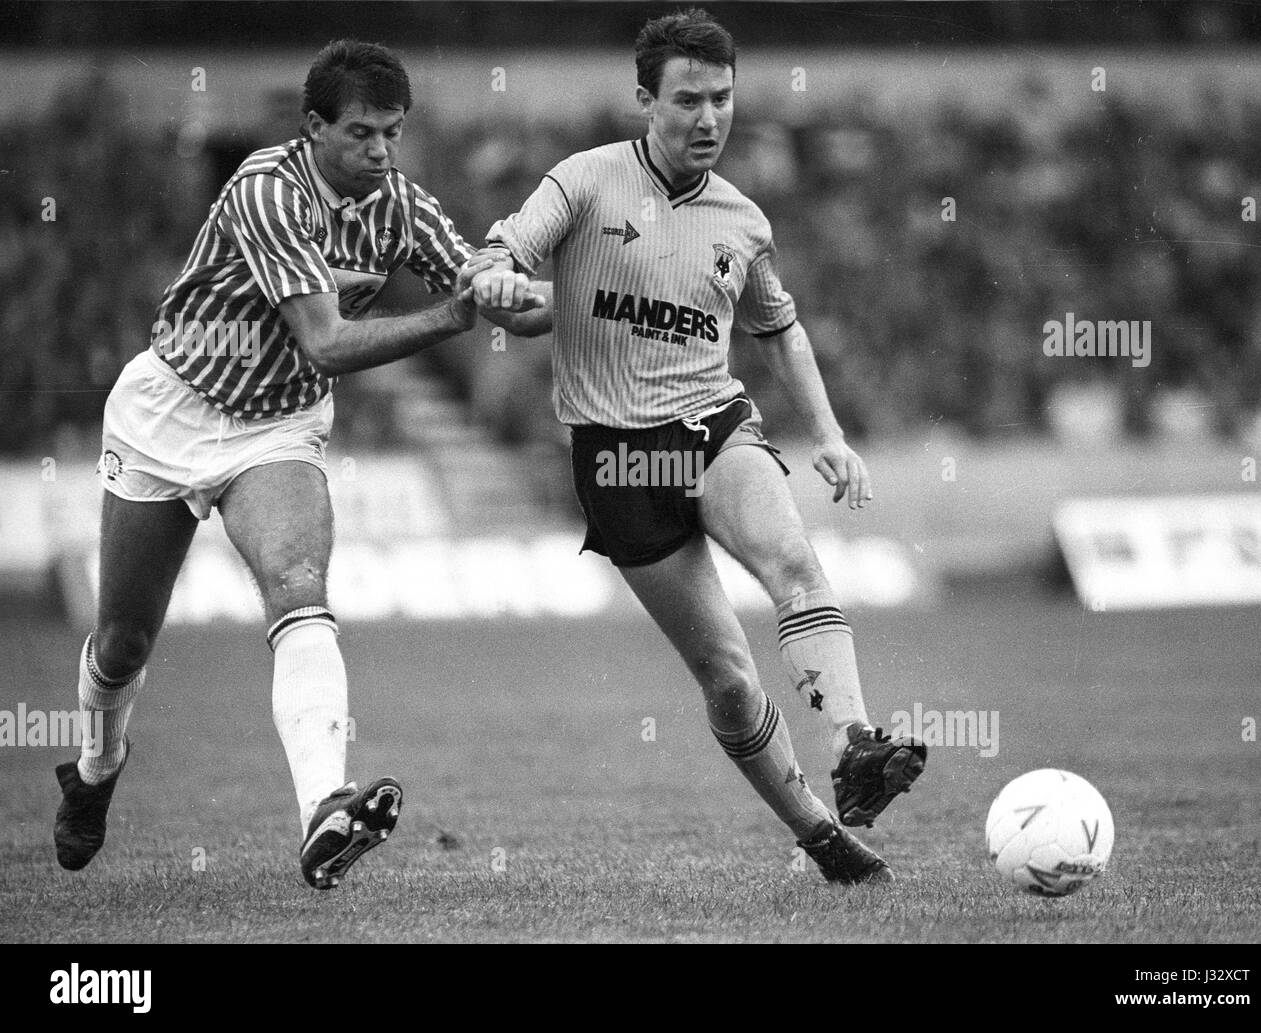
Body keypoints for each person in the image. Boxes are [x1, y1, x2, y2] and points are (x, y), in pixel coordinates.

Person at [53, 39, 544, 890]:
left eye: (393, 132)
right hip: (169, 412)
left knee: (297, 582)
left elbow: (487, 286)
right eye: (361, 132)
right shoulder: (267, 189)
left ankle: (325, 809)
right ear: (313, 127)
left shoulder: (400, 203)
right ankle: (96, 767)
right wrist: (453, 315)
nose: (381, 151)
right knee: (123, 642)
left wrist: (516, 294)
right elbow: (325, 340)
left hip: (277, 426)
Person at [471, 9, 925, 883]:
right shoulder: (584, 181)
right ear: (646, 100)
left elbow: (779, 328)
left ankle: (856, 741)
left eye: (722, 98)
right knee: (727, 679)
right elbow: (508, 247)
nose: (709, 117)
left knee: (794, 562)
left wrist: (830, 435)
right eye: (689, 99)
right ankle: (822, 836)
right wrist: (496, 276)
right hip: (618, 461)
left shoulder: (742, 221)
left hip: (712, 427)